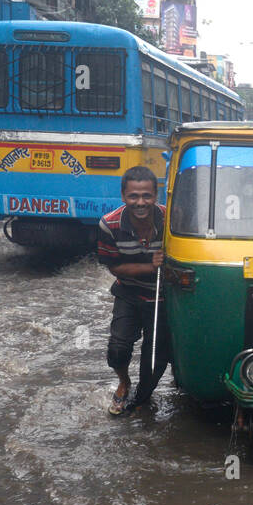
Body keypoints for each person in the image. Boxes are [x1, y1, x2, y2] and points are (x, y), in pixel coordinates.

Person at [96, 165, 170, 416]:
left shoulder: (172, 219)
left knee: (156, 355)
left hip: (164, 298)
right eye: (133, 196)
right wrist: (150, 266)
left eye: (146, 196)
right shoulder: (110, 224)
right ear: (123, 196)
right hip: (129, 293)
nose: (140, 202)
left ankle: (140, 399)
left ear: (156, 195)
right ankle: (124, 382)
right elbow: (114, 267)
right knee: (118, 348)